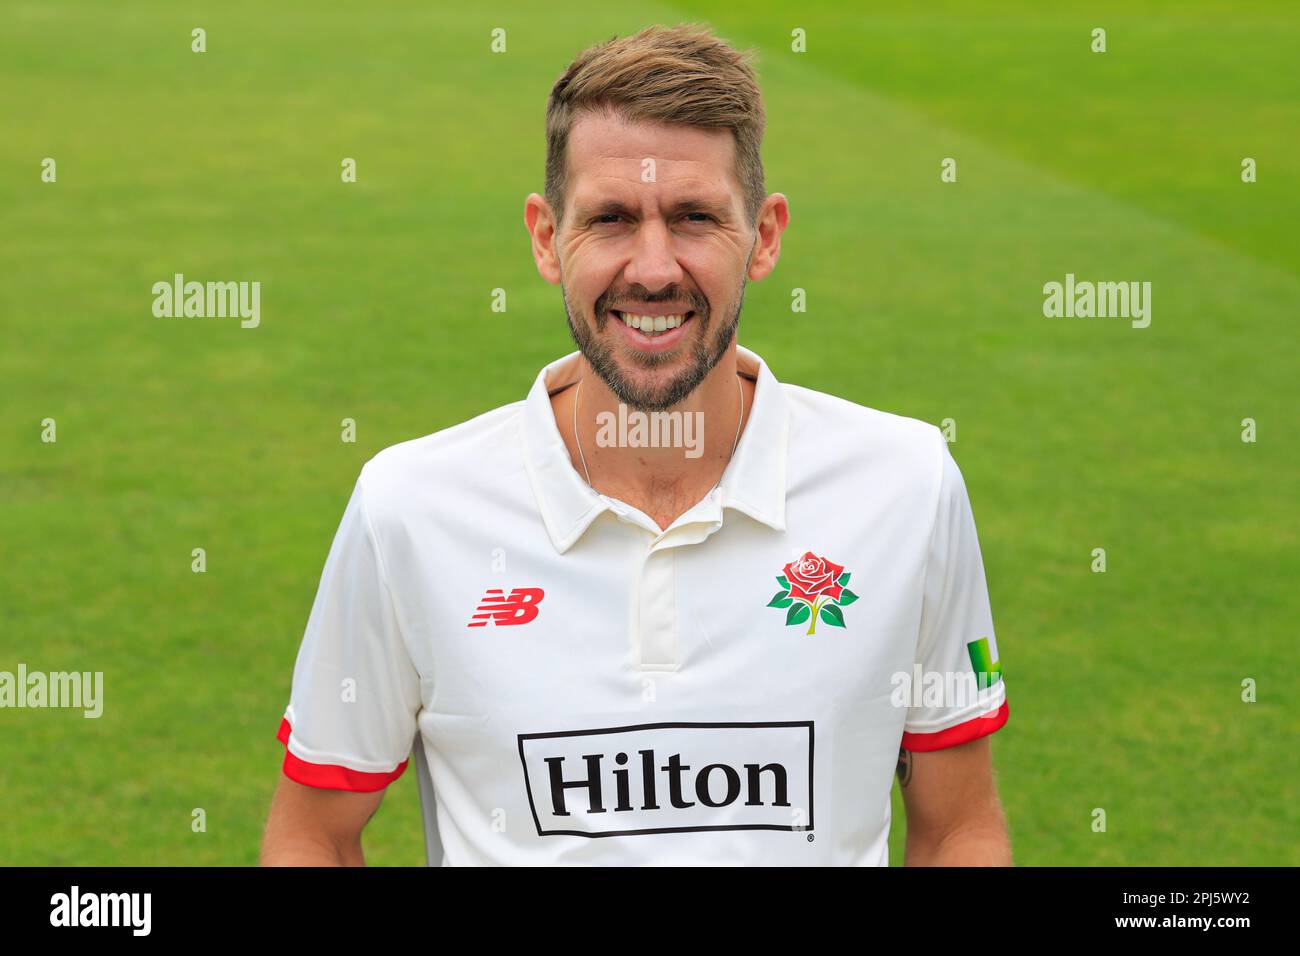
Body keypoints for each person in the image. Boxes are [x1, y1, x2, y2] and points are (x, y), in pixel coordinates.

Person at [261, 23, 1011, 866]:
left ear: (764, 236)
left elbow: (958, 827)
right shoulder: (410, 508)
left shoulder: (905, 487)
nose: (653, 269)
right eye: (612, 219)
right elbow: (312, 835)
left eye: (694, 217)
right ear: (547, 238)